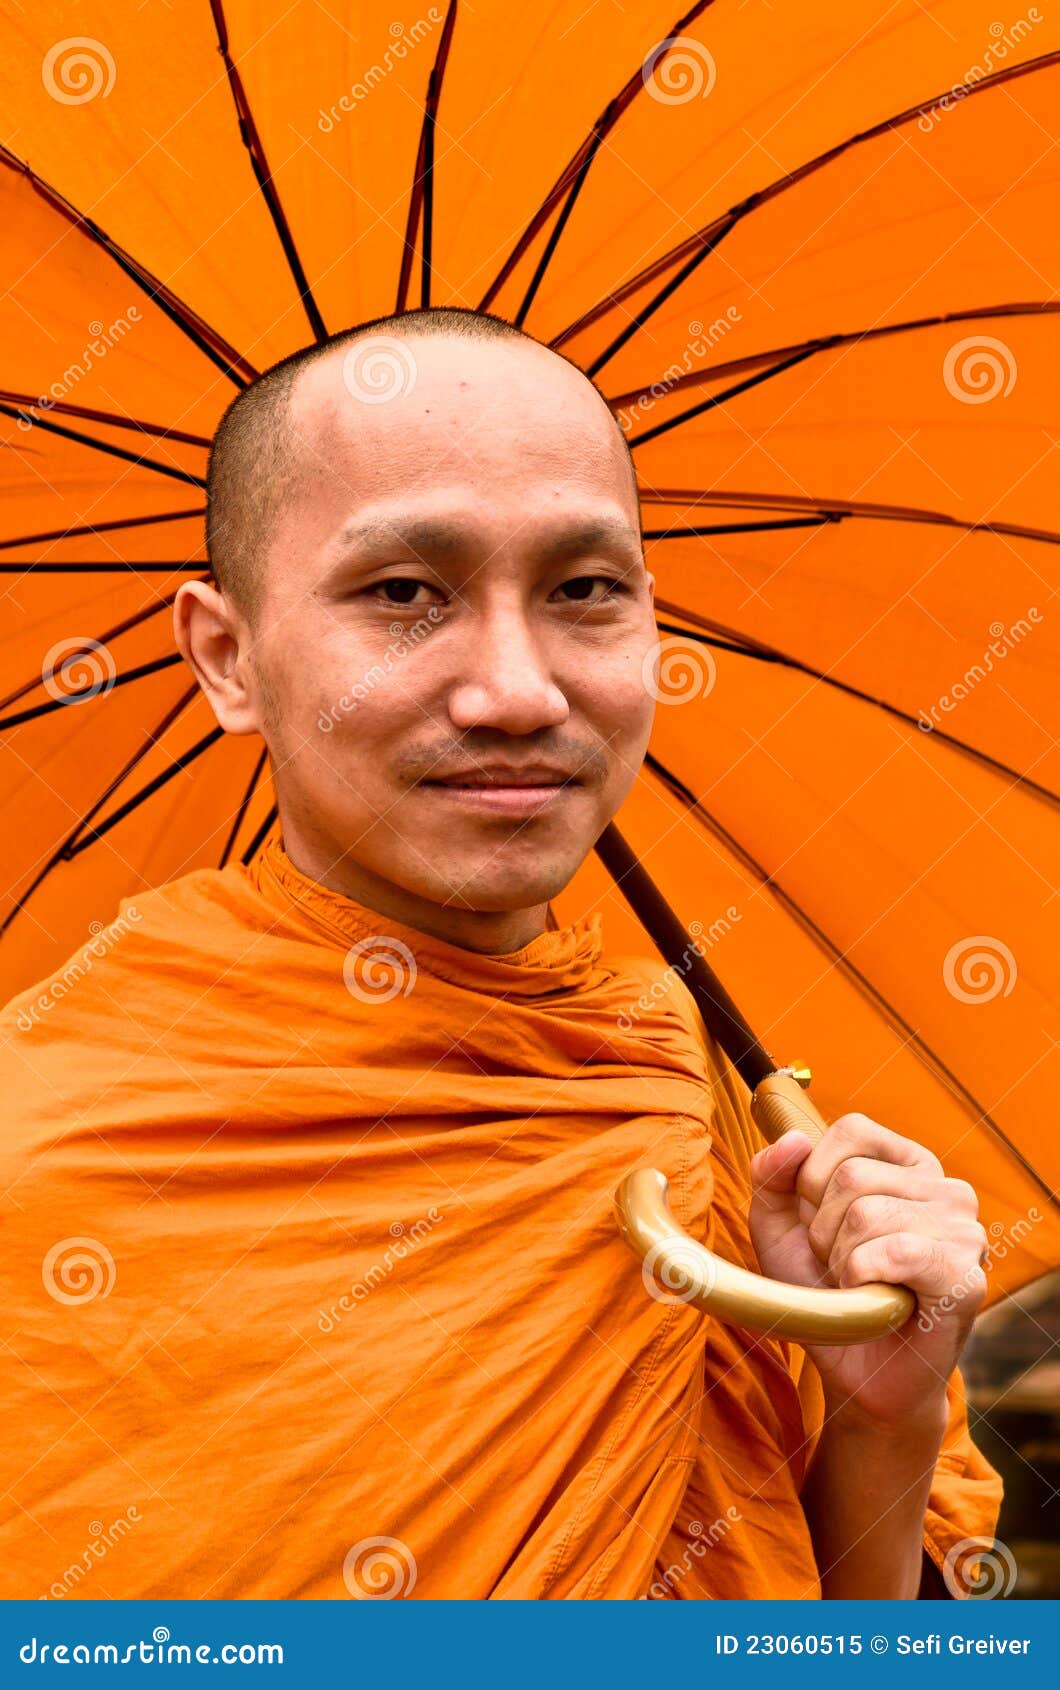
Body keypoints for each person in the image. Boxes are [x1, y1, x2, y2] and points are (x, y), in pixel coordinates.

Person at [0, 307, 1001, 1600]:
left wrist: (881, 1414)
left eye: (585, 590)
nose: (521, 691)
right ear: (228, 655)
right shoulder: (52, 1152)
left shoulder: (715, 1133)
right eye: (406, 593)